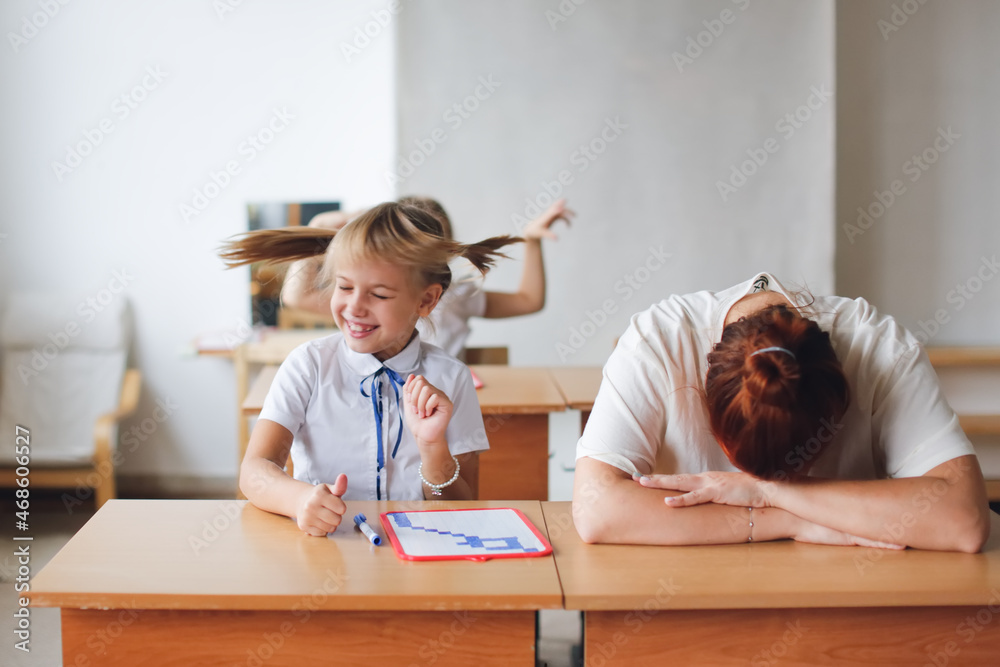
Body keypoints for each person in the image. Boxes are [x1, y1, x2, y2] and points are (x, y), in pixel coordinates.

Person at [573, 272, 990, 553]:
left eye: (798, 467)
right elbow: (596, 509)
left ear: (837, 406)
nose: (764, 481)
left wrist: (769, 493)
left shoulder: (880, 349)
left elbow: (963, 518)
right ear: (705, 398)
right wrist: (789, 523)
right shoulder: (658, 341)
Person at [219, 202, 522, 536]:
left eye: (378, 294)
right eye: (344, 287)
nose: (354, 307)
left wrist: (433, 446)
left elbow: (460, 506)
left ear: (426, 301)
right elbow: (254, 470)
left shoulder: (452, 378)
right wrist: (299, 500)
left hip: (417, 558)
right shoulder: (308, 365)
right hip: (327, 551)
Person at [280, 196, 573, 358]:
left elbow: (529, 300)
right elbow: (295, 296)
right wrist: (318, 227)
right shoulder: (361, 300)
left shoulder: (459, 295)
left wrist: (531, 241)